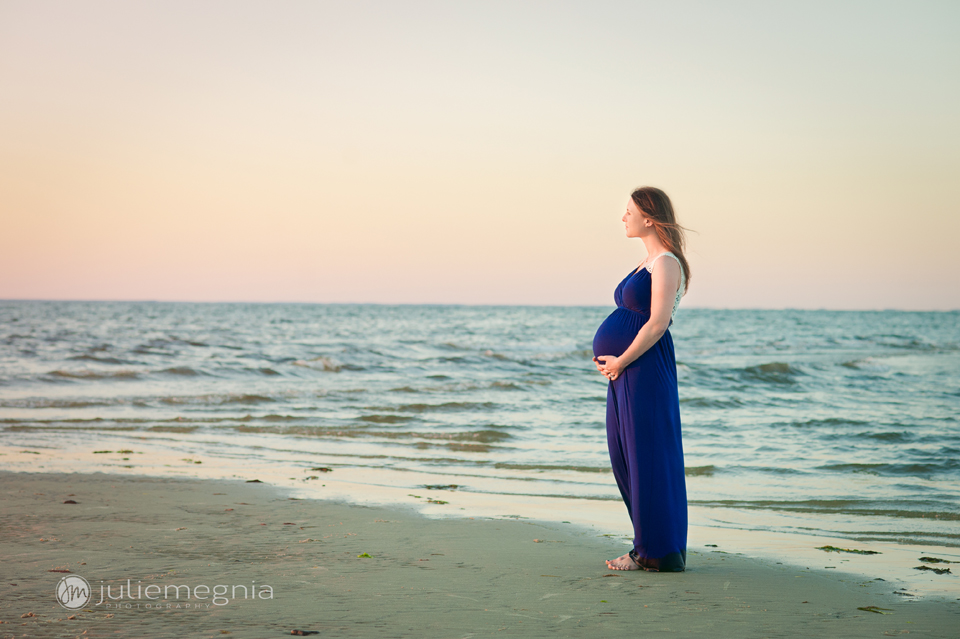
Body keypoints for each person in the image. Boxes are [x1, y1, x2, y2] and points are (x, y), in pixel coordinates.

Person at [592, 186, 691, 572]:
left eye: (629, 211)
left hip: (644, 367)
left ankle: (653, 551)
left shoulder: (666, 262)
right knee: (624, 455)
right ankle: (652, 545)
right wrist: (615, 364)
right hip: (626, 369)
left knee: (646, 455)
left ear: (649, 217)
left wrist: (622, 360)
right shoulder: (645, 263)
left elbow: (657, 324)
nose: (624, 217)